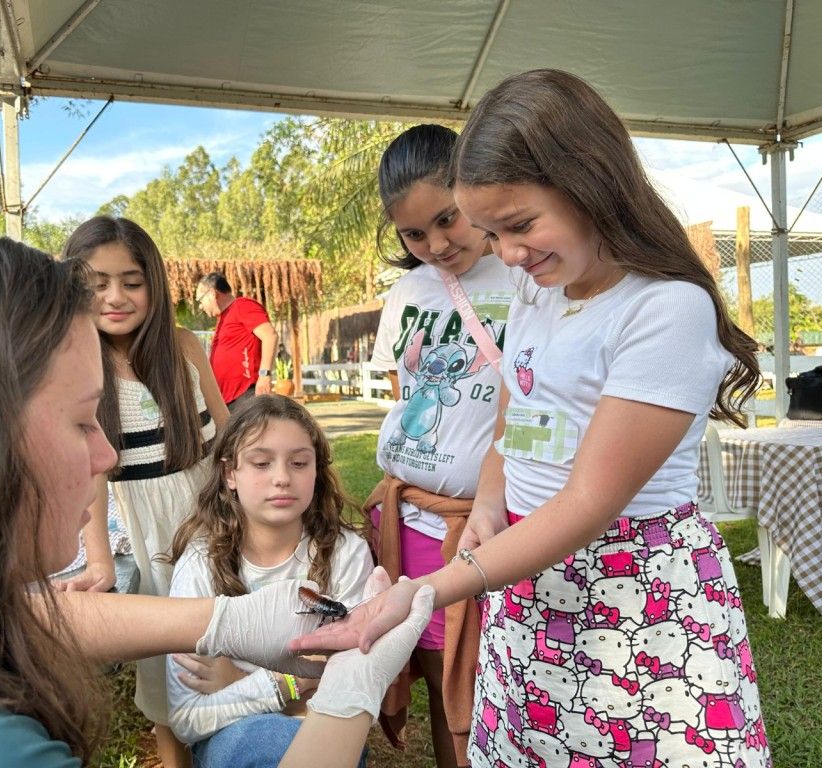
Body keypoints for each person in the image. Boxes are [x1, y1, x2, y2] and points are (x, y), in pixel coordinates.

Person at [0, 221, 433, 768]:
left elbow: (18, 618)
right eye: (84, 423)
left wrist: (229, 620)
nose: (107, 456)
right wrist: (353, 689)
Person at [293, 69, 772, 768]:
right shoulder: (539, 287)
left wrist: (426, 591)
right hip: (529, 577)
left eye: (519, 225)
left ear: (591, 181)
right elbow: (517, 409)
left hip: (635, 593)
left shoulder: (664, 309)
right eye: (493, 232)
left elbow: (586, 504)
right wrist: (491, 501)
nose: (510, 254)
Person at [366, 124, 514, 767]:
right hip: (409, 522)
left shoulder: (525, 276)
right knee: (432, 672)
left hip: (488, 526)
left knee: (488, 682)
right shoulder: (407, 293)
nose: (436, 244)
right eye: (414, 234)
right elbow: (407, 395)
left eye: (447, 219)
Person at [60, 216, 229, 768]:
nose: (115, 296)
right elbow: (92, 471)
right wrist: (100, 558)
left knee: (228, 633)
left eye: (131, 281)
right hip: (144, 528)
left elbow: (225, 431)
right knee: (165, 664)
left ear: (154, 283)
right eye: (96, 283)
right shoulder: (74, 361)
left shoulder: (183, 346)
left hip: (209, 512)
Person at [165, 394, 373, 767]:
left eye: (298, 463)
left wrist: (236, 682)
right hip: (234, 745)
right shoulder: (198, 565)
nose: (281, 478)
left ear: (316, 470)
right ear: (230, 474)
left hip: (326, 732)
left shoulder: (347, 553)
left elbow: (356, 687)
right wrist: (294, 685)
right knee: (268, 744)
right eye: (261, 463)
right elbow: (186, 718)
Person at [195, 272, 278, 412]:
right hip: (228, 399)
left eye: (200, 300)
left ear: (213, 294)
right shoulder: (224, 318)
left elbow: (270, 335)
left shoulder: (242, 306)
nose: (200, 307)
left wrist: (264, 376)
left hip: (245, 394)